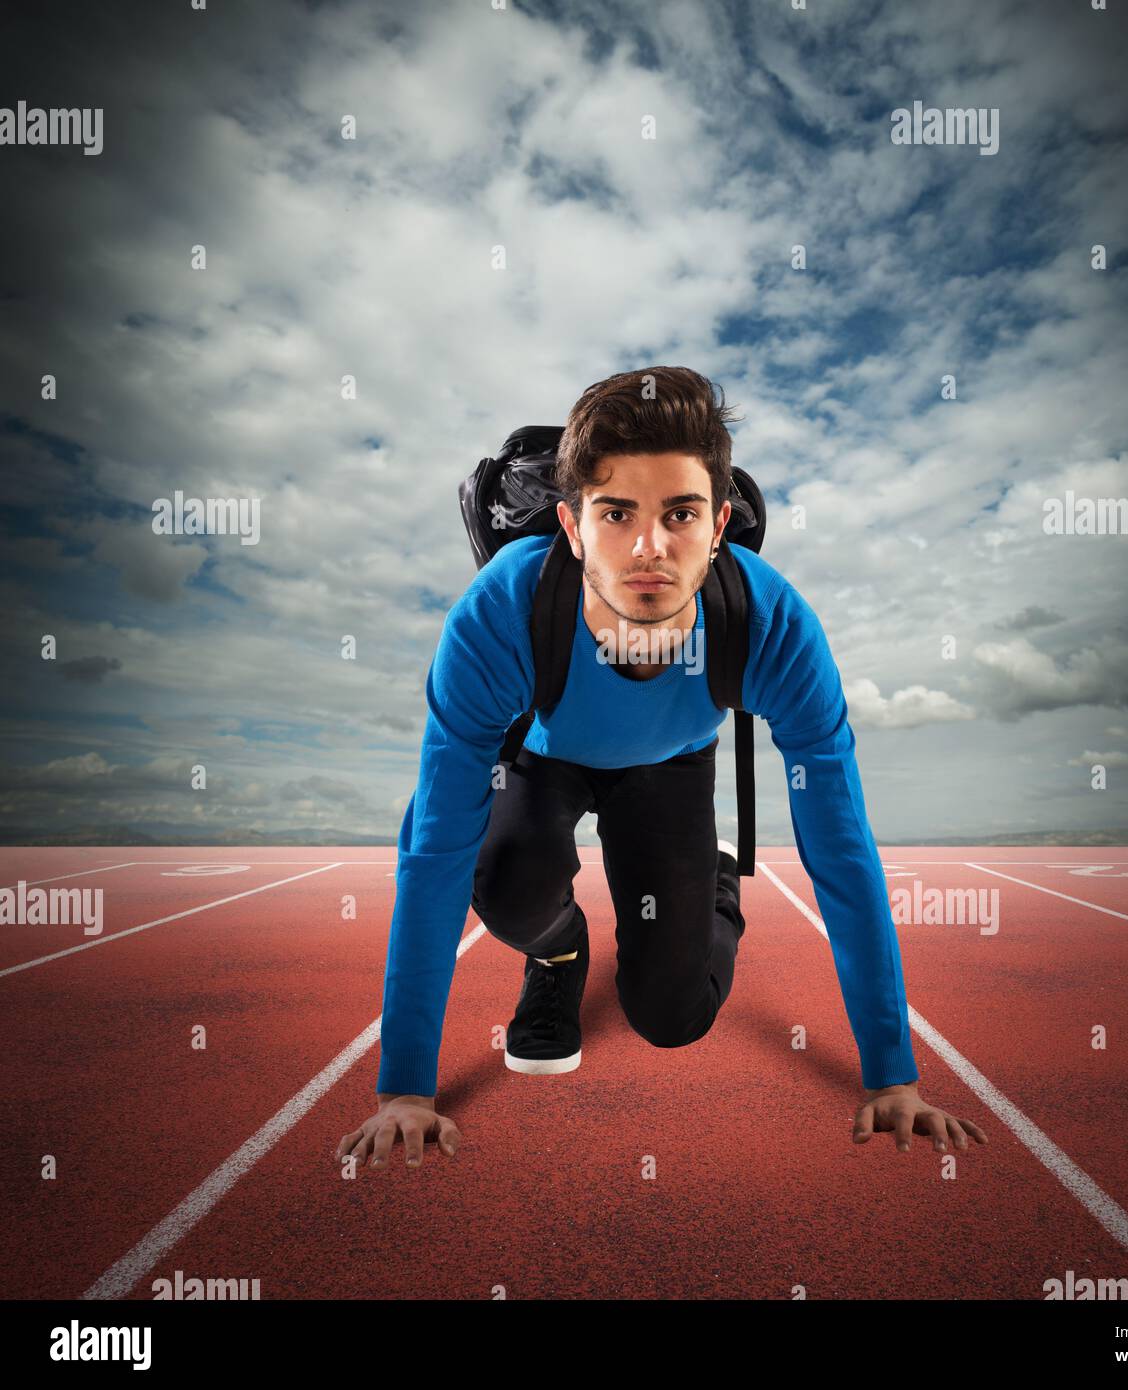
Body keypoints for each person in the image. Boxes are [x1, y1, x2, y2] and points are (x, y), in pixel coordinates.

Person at [336, 367, 989, 1173]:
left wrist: (893, 1075)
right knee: (503, 883)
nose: (650, 548)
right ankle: (560, 957)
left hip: (671, 766)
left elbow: (843, 850)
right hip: (543, 758)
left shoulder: (771, 626)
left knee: (673, 1016)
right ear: (572, 528)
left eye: (679, 514)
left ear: (718, 526)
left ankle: (710, 889)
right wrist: (404, 1090)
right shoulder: (499, 616)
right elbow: (432, 849)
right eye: (617, 514)